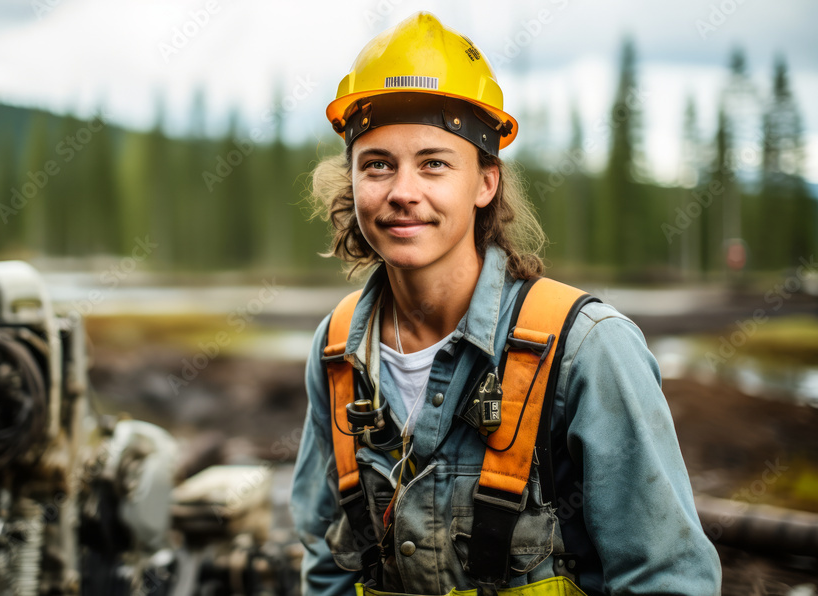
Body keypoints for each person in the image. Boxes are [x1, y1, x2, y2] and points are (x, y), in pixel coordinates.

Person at [290, 11, 722, 596]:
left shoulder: (587, 349)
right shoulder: (338, 348)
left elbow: (666, 578)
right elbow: (329, 565)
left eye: (434, 163)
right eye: (377, 165)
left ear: (485, 182)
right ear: (353, 181)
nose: (402, 192)